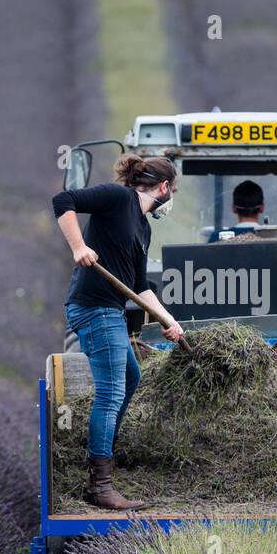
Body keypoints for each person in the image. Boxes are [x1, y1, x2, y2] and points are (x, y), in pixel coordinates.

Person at [52, 154, 185, 510]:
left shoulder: (144, 227)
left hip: (112, 310)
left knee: (131, 376)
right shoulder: (117, 197)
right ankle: (100, 485)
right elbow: (63, 201)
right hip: (92, 307)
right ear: (165, 187)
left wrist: (167, 320)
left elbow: (140, 287)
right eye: (174, 191)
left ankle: (105, 449)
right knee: (110, 393)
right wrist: (79, 247)